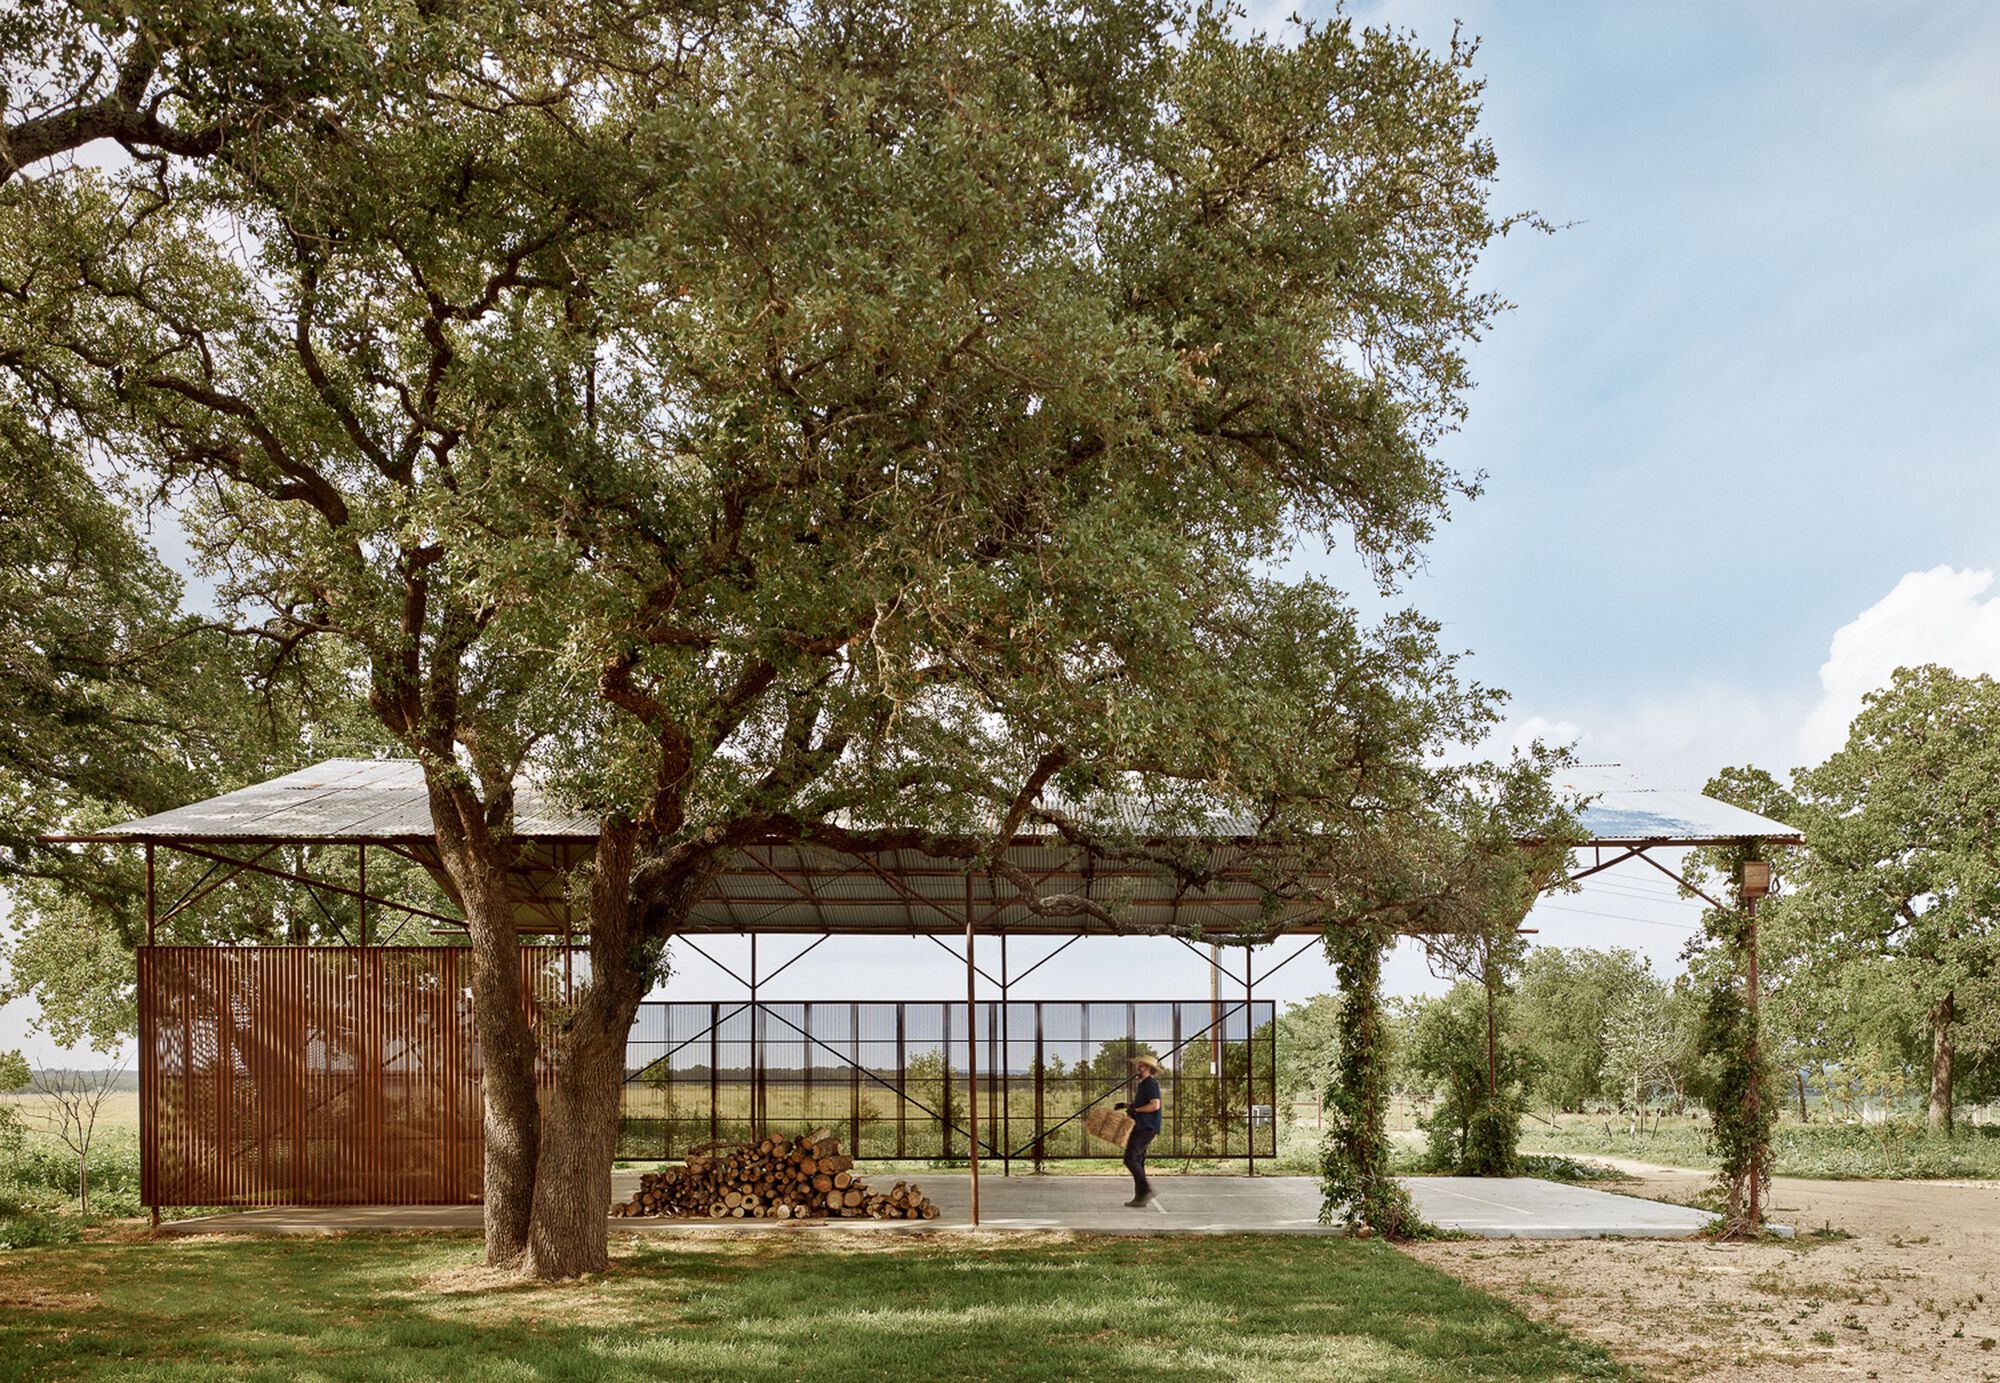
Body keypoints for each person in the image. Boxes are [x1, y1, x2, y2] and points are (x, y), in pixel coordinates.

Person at [1114, 1053, 1164, 1208]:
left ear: (1149, 1068)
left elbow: (1155, 1105)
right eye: (1139, 1065)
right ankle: (1140, 1198)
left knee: (1130, 1158)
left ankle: (1146, 1190)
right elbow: (1139, 1106)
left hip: (1146, 1127)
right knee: (1138, 1161)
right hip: (1141, 1126)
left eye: (1141, 1065)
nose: (1138, 1067)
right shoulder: (1143, 1084)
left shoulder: (1150, 1083)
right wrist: (1127, 1105)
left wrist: (1136, 1110)